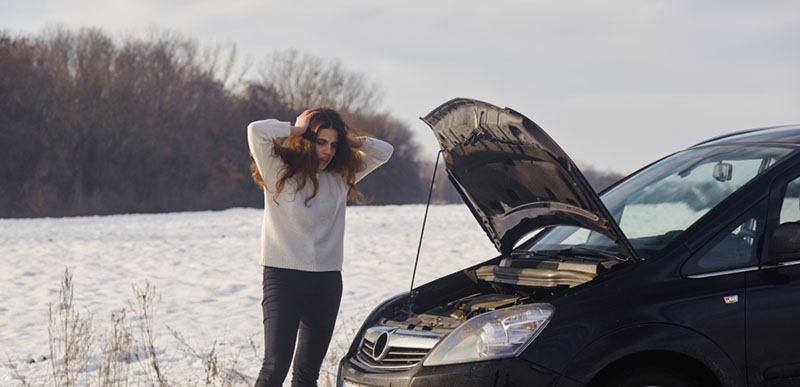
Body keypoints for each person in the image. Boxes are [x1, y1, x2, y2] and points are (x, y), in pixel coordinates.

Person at [247, 108, 393, 387]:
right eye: (321, 142)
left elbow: (384, 152)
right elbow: (256, 130)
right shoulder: (277, 168)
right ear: (307, 141)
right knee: (274, 367)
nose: (327, 151)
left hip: (326, 281)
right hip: (283, 277)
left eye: (333, 144)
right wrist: (297, 128)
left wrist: (353, 141)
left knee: (307, 373)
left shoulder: (340, 176)